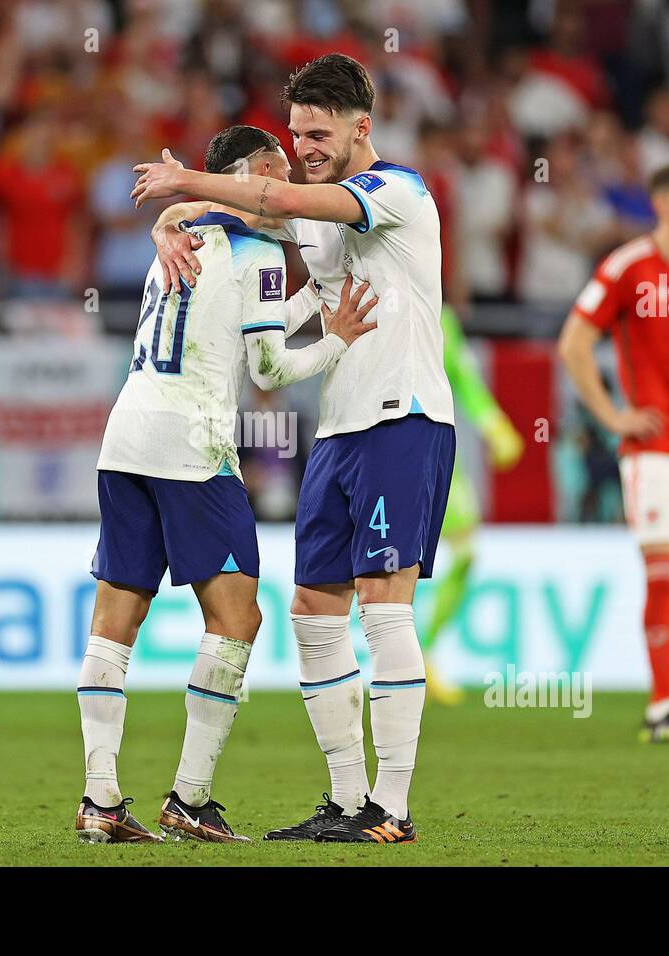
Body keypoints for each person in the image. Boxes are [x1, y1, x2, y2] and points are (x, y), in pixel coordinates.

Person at [138, 53, 455, 844]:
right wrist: (167, 222)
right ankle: (347, 802)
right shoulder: (314, 219)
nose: (307, 144)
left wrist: (188, 183)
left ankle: (393, 807)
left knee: (386, 605)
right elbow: (241, 221)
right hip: (342, 429)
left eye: (320, 131)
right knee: (314, 610)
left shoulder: (396, 192)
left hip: (403, 418)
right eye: (298, 132)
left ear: (360, 128)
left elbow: (268, 194)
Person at [76, 125, 377, 845]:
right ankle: (190, 797)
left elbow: (224, 300)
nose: (286, 185)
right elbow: (269, 371)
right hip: (192, 448)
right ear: (245, 174)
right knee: (239, 620)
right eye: (273, 170)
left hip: (125, 440)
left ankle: (100, 801)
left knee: (116, 617)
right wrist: (337, 337)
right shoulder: (258, 252)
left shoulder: (179, 238)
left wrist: (172, 218)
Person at [557, 161, 669, 743]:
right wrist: (613, 417)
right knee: (663, 578)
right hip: (654, 452)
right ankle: (662, 709)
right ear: (661, 203)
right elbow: (574, 343)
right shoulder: (628, 266)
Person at [418, 306, 524, 705]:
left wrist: (494, 425)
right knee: (387, 561)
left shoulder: (441, 317)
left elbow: (463, 377)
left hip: (438, 451)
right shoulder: (381, 298)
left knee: (465, 554)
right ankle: (390, 660)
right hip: (382, 448)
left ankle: (422, 654)